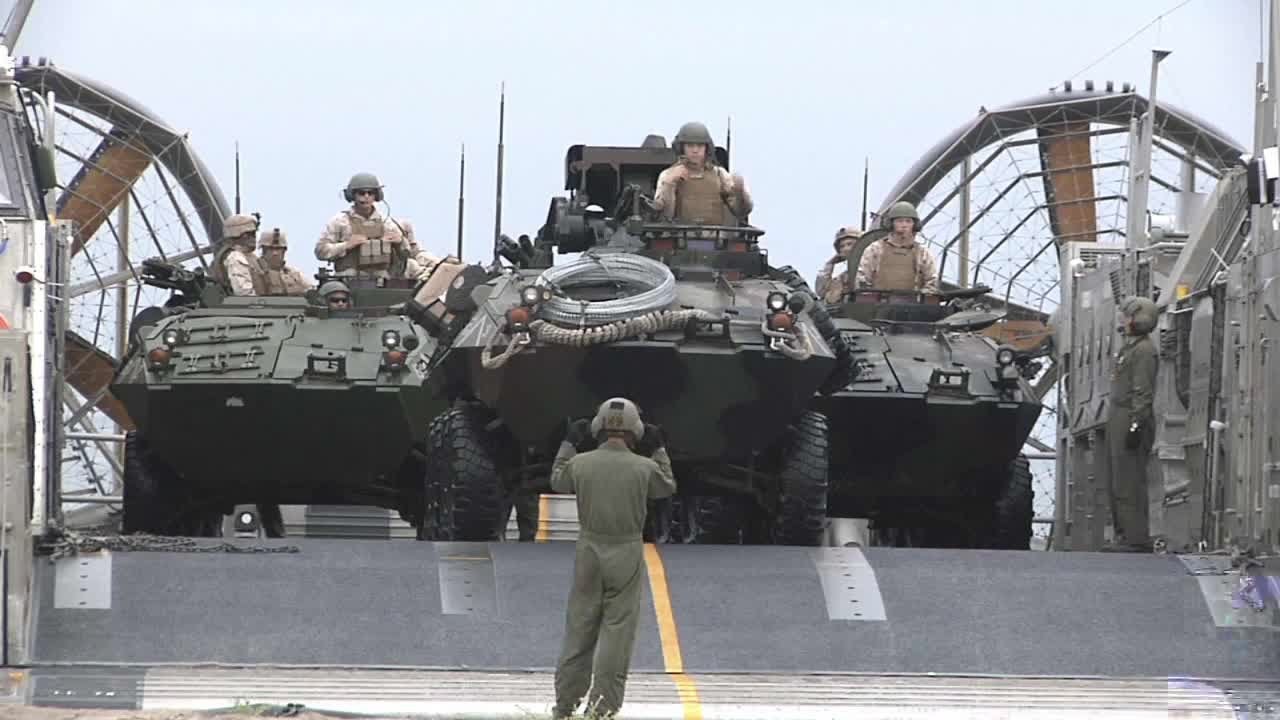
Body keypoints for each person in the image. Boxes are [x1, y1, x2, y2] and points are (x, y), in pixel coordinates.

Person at [550, 398, 676, 720]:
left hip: (589, 548)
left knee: (579, 628)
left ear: (597, 427)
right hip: (626, 550)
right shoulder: (644, 468)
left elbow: (558, 480)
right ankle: (602, 707)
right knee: (616, 632)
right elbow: (666, 487)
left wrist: (568, 443)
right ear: (636, 429)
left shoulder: (581, 464)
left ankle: (564, 704)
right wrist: (659, 448)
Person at [1102, 296, 1159, 552]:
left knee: (1129, 480)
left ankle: (1135, 537)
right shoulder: (1129, 348)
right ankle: (1124, 534)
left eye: (1127, 316)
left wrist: (1136, 425)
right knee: (1118, 479)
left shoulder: (1144, 351)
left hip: (1131, 416)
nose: (1123, 320)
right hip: (1119, 416)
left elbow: (1142, 392)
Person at [651, 121, 752, 225]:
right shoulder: (668, 175)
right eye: (690, 146)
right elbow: (663, 217)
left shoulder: (719, 174)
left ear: (706, 148)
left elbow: (740, 212)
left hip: (714, 237)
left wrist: (740, 194)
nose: (695, 150)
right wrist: (670, 184)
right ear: (682, 148)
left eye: (700, 146)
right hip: (679, 237)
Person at [314, 172, 407, 278]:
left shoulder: (386, 222)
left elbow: (407, 253)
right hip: (347, 279)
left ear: (376, 195)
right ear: (352, 195)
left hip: (381, 280)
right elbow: (320, 251)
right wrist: (346, 245)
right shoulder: (340, 222)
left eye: (370, 193)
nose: (366, 196)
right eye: (361, 193)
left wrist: (400, 242)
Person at [856, 201, 940, 293]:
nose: (904, 225)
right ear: (891, 223)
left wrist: (921, 297)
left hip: (914, 304)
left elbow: (932, 281)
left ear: (914, 225)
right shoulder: (875, 249)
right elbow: (862, 278)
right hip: (879, 303)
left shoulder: (922, 253)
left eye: (908, 221)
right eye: (899, 221)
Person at [210, 213, 266, 296]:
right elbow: (244, 293)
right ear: (237, 236)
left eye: (254, 233)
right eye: (249, 234)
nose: (254, 237)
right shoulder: (235, 257)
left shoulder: (250, 257)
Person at [257, 227, 312, 296]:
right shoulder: (254, 270)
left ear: (284, 251)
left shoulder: (293, 274)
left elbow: (311, 290)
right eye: (271, 249)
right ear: (263, 250)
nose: (275, 253)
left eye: (278, 249)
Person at [816, 226, 862, 303]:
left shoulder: (870, 264)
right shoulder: (840, 275)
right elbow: (821, 291)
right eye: (842, 246)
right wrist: (830, 264)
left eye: (850, 244)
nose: (845, 249)